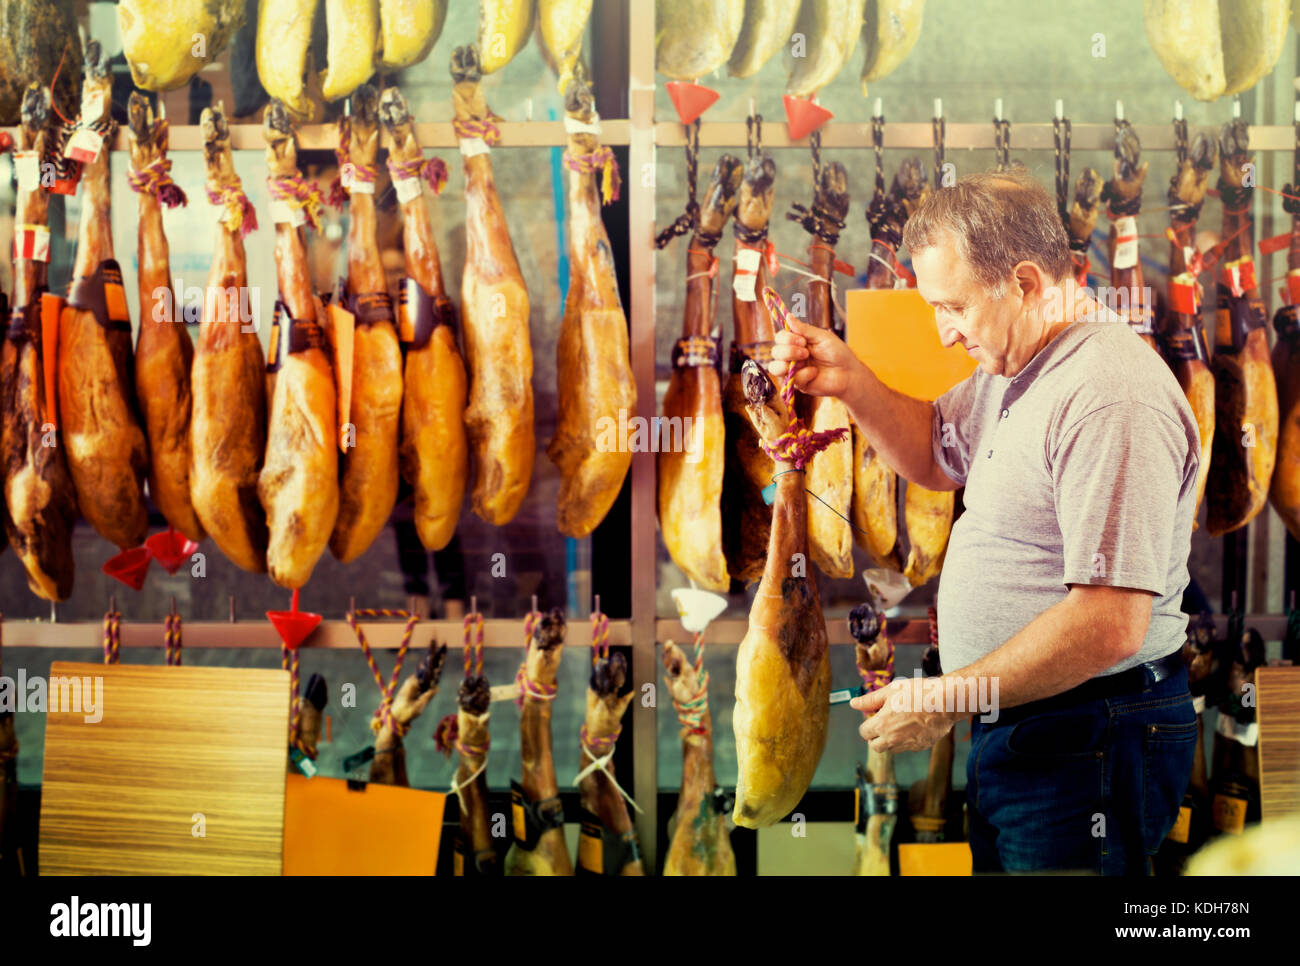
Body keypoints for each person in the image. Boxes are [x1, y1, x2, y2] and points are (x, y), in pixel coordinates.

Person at [771, 169, 1200, 874]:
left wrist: (949, 694)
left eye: (953, 307)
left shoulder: (1109, 397)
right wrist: (848, 379)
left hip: (1090, 735)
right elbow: (941, 453)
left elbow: (1110, 621)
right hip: (1035, 728)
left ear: (1026, 283)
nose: (944, 335)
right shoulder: (1021, 363)